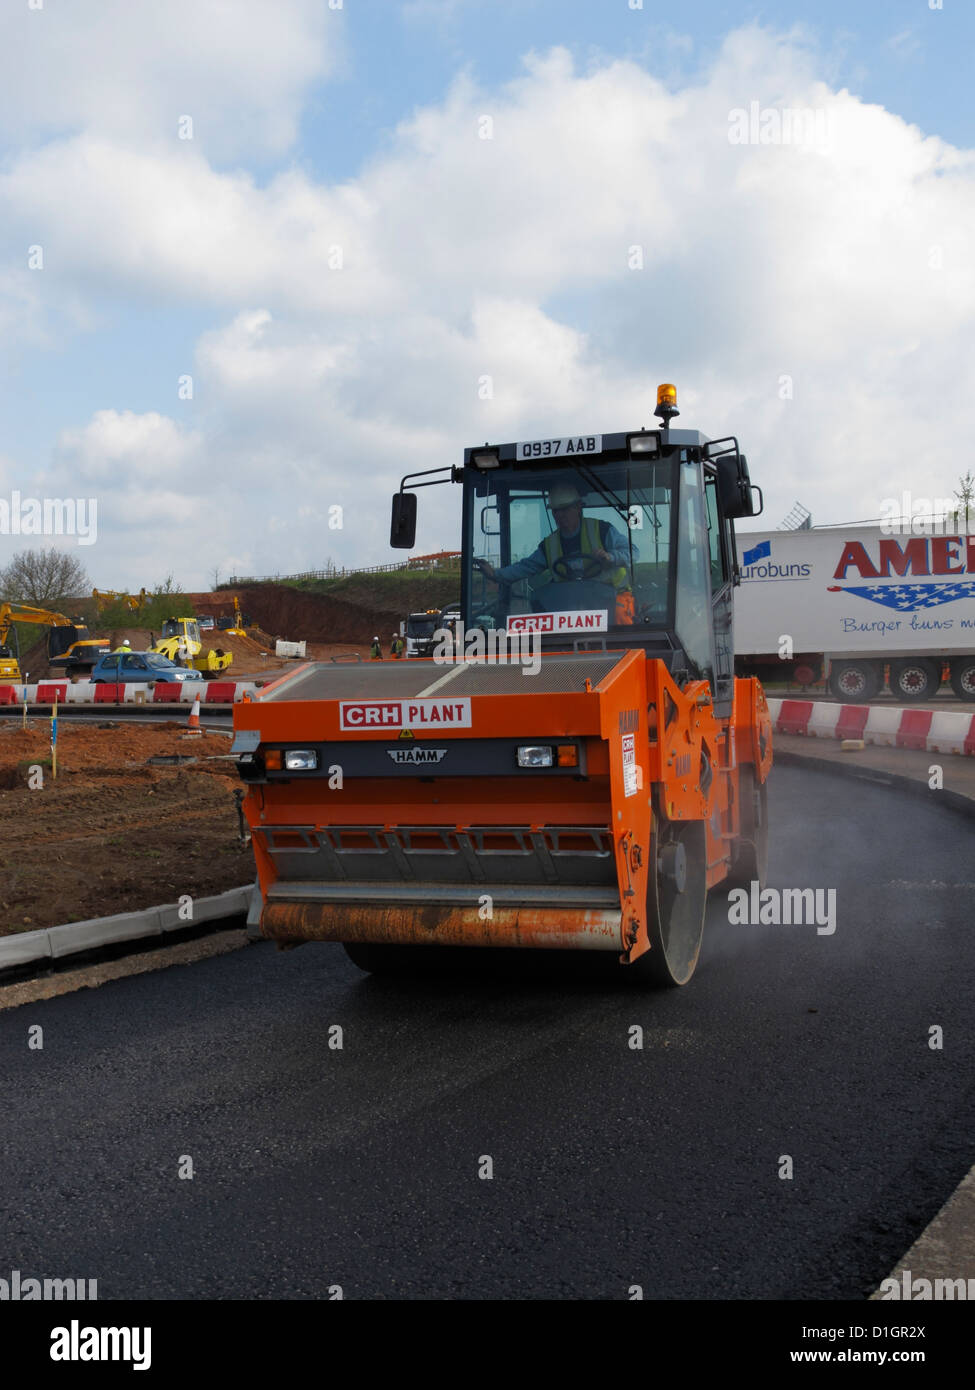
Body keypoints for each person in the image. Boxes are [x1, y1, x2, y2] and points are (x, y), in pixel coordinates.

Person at [475, 484, 633, 593]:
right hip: (571, 609)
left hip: (612, 602)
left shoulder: (602, 530)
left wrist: (610, 557)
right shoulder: (549, 545)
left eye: (564, 509)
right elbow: (525, 567)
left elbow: (632, 553)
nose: (560, 515)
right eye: (555, 511)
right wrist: (496, 574)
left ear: (578, 507)